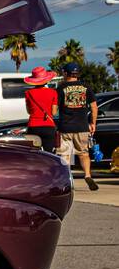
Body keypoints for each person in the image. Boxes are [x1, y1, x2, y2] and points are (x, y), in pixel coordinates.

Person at [56, 61, 99, 191]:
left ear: (66, 73)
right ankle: (87, 175)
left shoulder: (61, 88)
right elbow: (94, 107)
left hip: (65, 127)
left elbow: (55, 108)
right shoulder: (86, 87)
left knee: (65, 155)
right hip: (82, 126)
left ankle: (67, 180)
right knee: (84, 153)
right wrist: (93, 123)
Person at [22, 66, 58, 152]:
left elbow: (29, 111)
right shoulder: (53, 92)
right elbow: (53, 113)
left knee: (33, 154)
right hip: (48, 126)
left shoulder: (28, 93)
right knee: (48, 154)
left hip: (33, 126)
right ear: (46, 79)